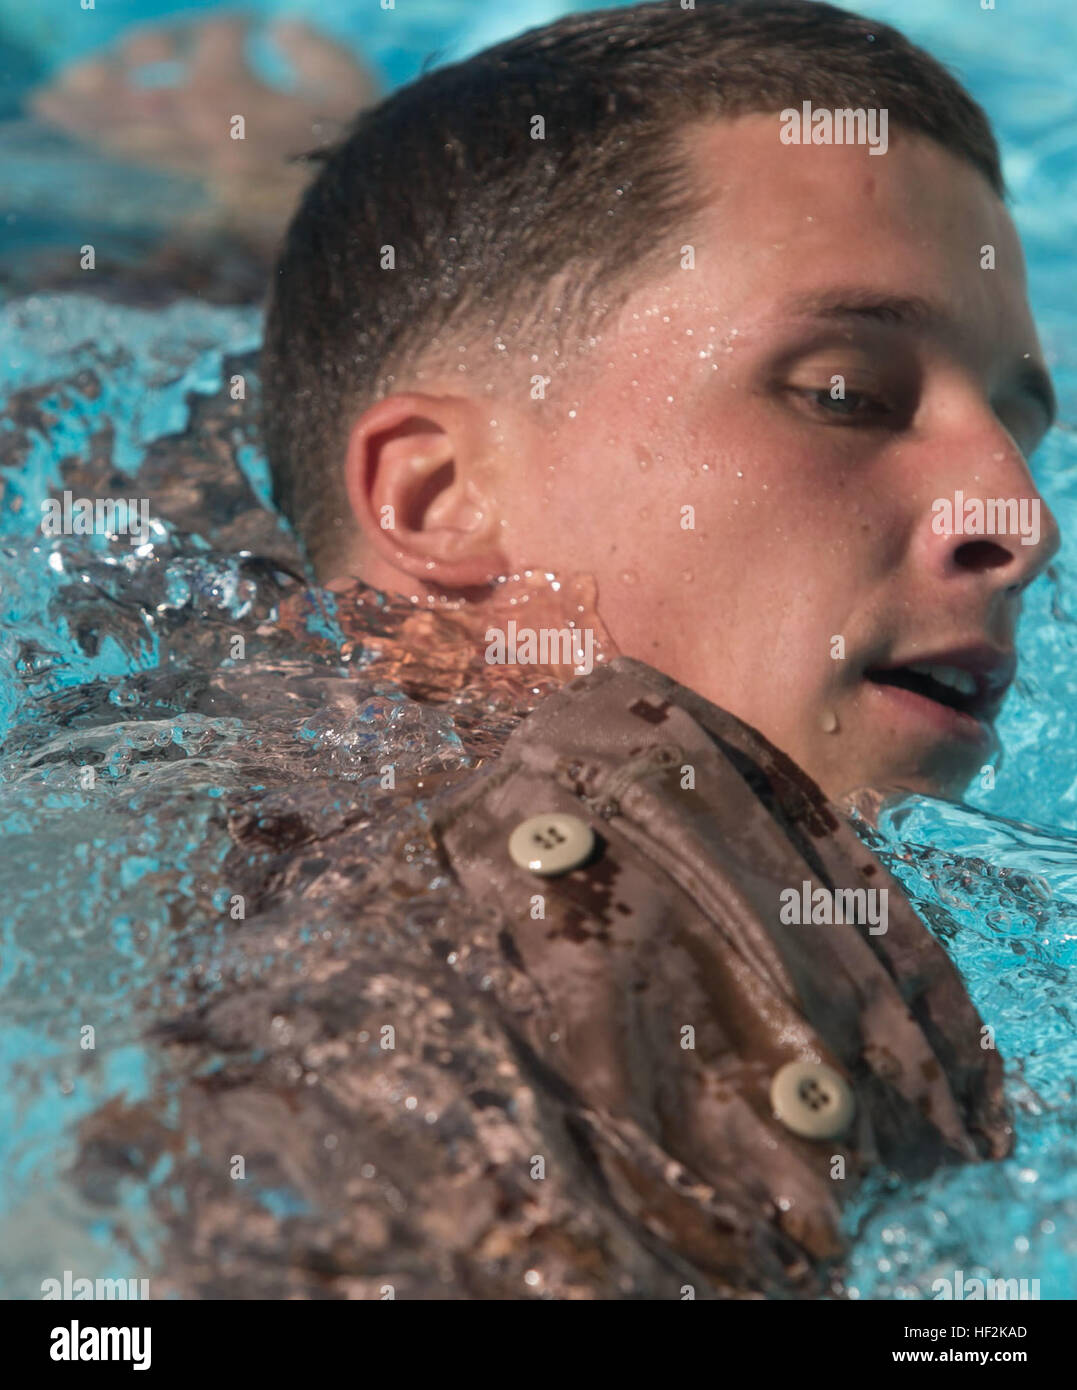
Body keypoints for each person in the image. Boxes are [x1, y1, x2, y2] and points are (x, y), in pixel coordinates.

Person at [65, 0, 1061, 1298]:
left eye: (1018, 429)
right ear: (437, 497)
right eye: (840, 394)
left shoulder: (246, 690)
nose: (1023, 521)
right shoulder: (472, 975)